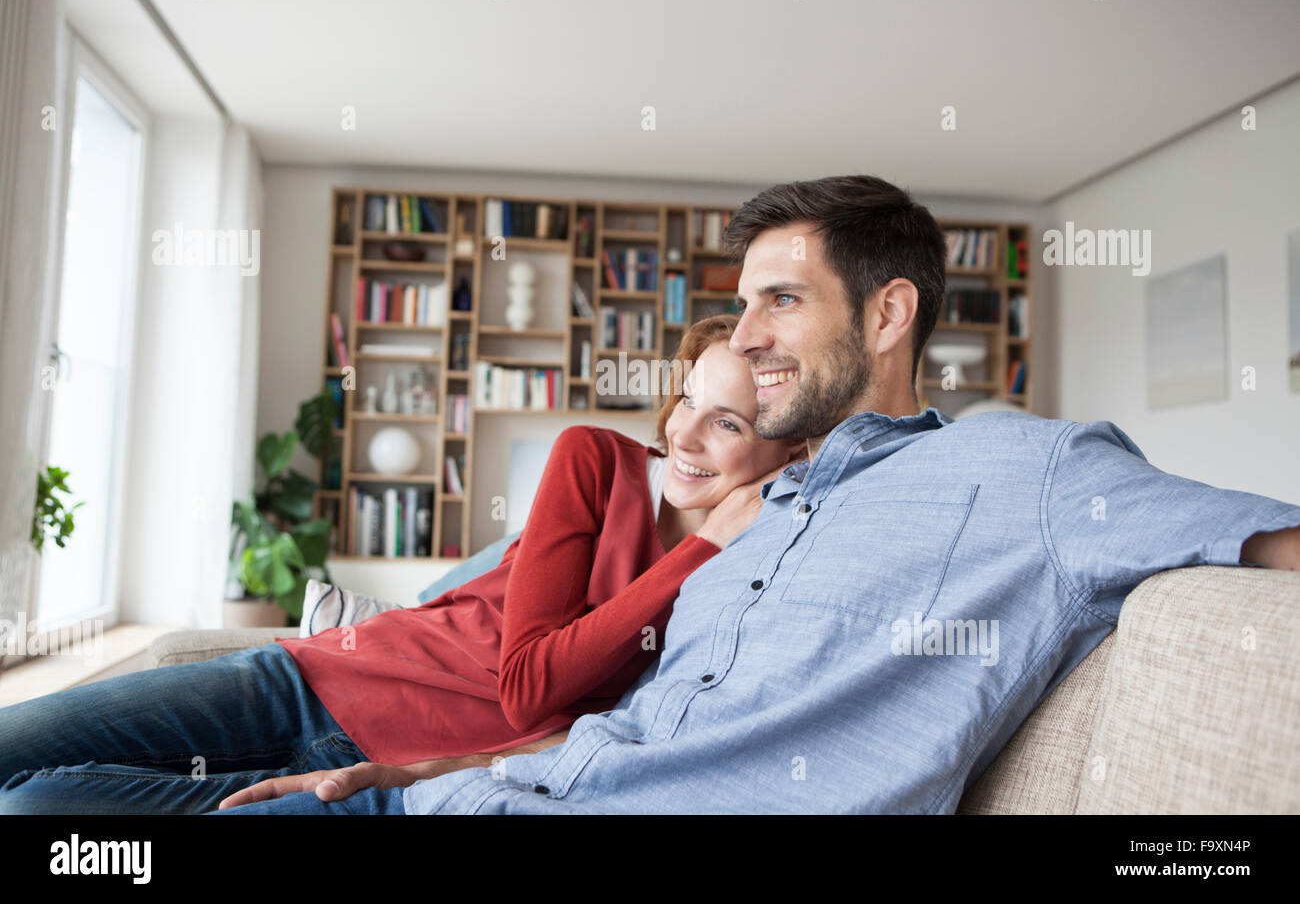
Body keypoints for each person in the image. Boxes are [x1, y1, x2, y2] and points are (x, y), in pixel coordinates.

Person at [207, 172, 1300, 815]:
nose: (744, 337)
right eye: (741, 306)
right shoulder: (775, 503)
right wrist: (426, 767)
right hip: (450, 794)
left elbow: (1268, 539)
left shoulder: (1028, 469)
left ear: (888, 315)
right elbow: (625, 722)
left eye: (779, 300)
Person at [0, 315, 805, 814]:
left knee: (38, 808)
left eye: (728, 423)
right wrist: (703, 542)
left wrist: (712, 548)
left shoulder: (747, 579)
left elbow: (566, 729)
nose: (687, 436)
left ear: (780, 453)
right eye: (688, 400)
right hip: (304, 681)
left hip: (387, 773)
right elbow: (530, 680)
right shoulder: (594, 459)